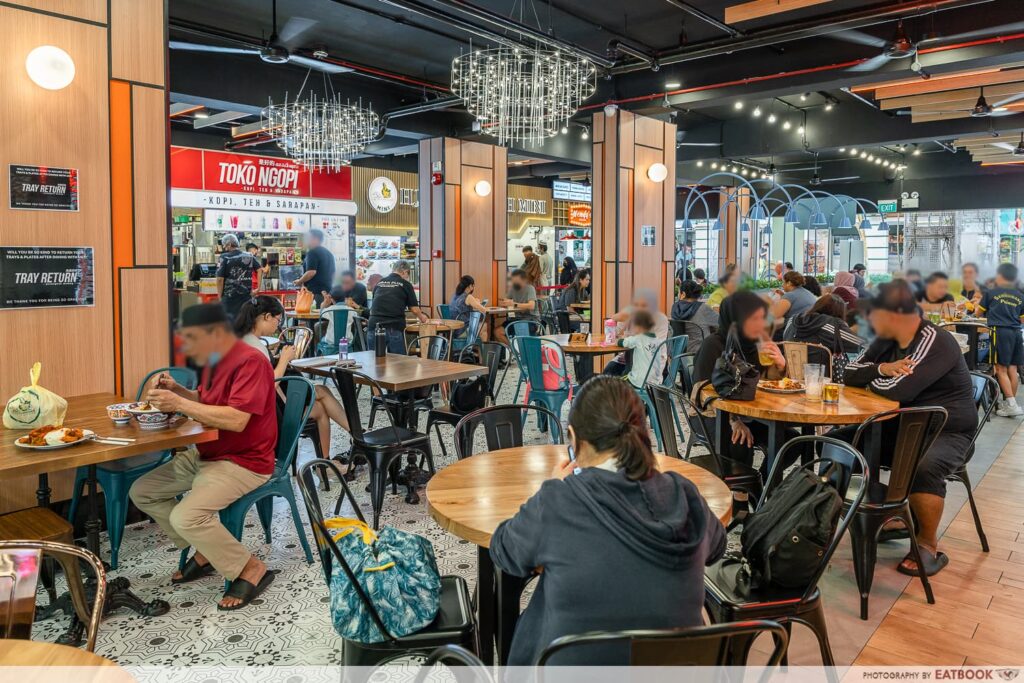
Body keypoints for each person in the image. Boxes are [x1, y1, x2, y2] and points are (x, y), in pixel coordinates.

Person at [489, 376, 726, 665]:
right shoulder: (683, 493)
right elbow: (716, 548)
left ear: (575, 439)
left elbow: (503, 550)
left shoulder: (559, 500)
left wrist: (551, 488)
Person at [129, 304, 278, 610]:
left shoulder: (251, 361)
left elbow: (237, 419)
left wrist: (178, 404)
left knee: (186, 515)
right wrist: (179, 391)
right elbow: (205, 400)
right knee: (143, 491)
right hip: (207, 454)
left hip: (244, 461)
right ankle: (208, 550)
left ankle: (250, 567)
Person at [839, 280, 977, 577]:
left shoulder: (934, 339)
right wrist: (881, 369)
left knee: (923, 465)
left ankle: (927, 544)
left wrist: (876, 380)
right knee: (840, 444)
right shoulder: (886, 341)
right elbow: (848, 373)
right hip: (900, 426)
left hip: (946, 431)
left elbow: (900, 390)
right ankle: (887, 512)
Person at [234, 296, 350, 455]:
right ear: (266, 317)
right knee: (322, 393)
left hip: (266, 405)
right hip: (270, 411)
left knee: (321, 405)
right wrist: (284, 359)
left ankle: (327, 460)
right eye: (278, 320)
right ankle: (356, 436)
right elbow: (269, 385)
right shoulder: (255, 347)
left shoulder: (243, 340)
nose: (278, 325)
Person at [693, 292, 791, 478]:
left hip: (751, 414)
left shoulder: (756, 344)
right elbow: (704, 391)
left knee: (793, 441)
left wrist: (781, 365)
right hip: (713, 414)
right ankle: (740, 501)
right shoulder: (713, 345)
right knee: (740, 443)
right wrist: (733, 420)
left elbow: (765, 384)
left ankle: (761, 486)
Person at [978, 263, 1024, 417]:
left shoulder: (991, 293)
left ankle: (1011, 404)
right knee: (1013, 369)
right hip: (1016, 332)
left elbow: (978, 313)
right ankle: (1010, 404)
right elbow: (1022, 319)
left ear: (999, 276)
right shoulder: (1020, 296)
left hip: (1000, 331)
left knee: (1000, 369)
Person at [367, 260, 428, 354]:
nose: (407, 277)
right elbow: (414, 309)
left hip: (373, 326)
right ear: (404, 271)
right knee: (398, 364)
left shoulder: (380, 282)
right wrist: (423, 318)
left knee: (373, 361)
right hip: (393, 326)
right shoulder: (405, 284)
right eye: (407, 274)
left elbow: (375, 304)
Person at [605, 289, 670, 377]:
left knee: (622, 375)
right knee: (608, 371)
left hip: (651, 362)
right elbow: (614, 333)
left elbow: (653, 345)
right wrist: (615, 319)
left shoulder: (660, 319)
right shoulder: (630, 315)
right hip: (628, 358)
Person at [783, 294, 864, 353]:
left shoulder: (793, 319)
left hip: (789, 370)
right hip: (820, 373)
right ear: (840, 312)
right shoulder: (832, 324)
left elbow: (785, 338)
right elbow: (861, 345)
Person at [215, 234, 260, 318]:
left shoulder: (224, 257)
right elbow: (260, 269)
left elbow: (220, 279)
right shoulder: (249, 255)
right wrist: (258, 288)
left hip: (229, 298)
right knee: (245, 320)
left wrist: (219, 296)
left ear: (229, 244)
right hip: (246, 297)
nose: (224, 248)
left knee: (230, 323)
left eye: (225, 245)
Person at [671, 279, 719, 356]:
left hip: (678, 356)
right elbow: (720, 324)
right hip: (700, 355)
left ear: (683, 294)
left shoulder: (675, 308)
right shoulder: (703, 308)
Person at [618, 309, 663, 388]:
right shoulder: (658, 341)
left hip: (639, 382)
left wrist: (618, 340)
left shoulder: (638, 338)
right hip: (654, 383)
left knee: (618, 382)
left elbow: (623, 343)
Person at [292, 229, 335, 306]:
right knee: (324, 316)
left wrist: (300, 282)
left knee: (313, 316)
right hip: (328, 294)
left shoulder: (312, 252)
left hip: (316, 294)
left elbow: (311, 272)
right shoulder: (329, 253)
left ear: (315, 239)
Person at [770, 271, 816, 339]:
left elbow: (773, 315)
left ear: (789, 283)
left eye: (783, 282)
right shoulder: (808, 293)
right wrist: (783, 296)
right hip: (808, 331)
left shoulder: (790, 296)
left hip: (793, 332)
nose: (782, 285)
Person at [448, 274, 489, 342]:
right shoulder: (468, 296)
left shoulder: (454, 295)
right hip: (462, 331)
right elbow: (484, 310)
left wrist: (474, 302)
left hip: (453, 331)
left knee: (480, 325)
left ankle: (474, 348)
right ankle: (481, 351)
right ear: (470, 286)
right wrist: (478, 303)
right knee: (484, 325)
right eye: (473, 286)